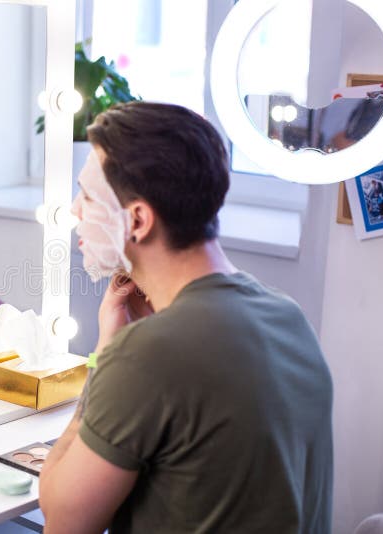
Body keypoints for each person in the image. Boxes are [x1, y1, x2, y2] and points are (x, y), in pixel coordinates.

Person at [39, 102, 333, 533]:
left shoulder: (147, 355)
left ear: (137, 220)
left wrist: (106, 353)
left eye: (87, 195)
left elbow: (63, 519)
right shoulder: (288, 317)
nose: (75, 211)